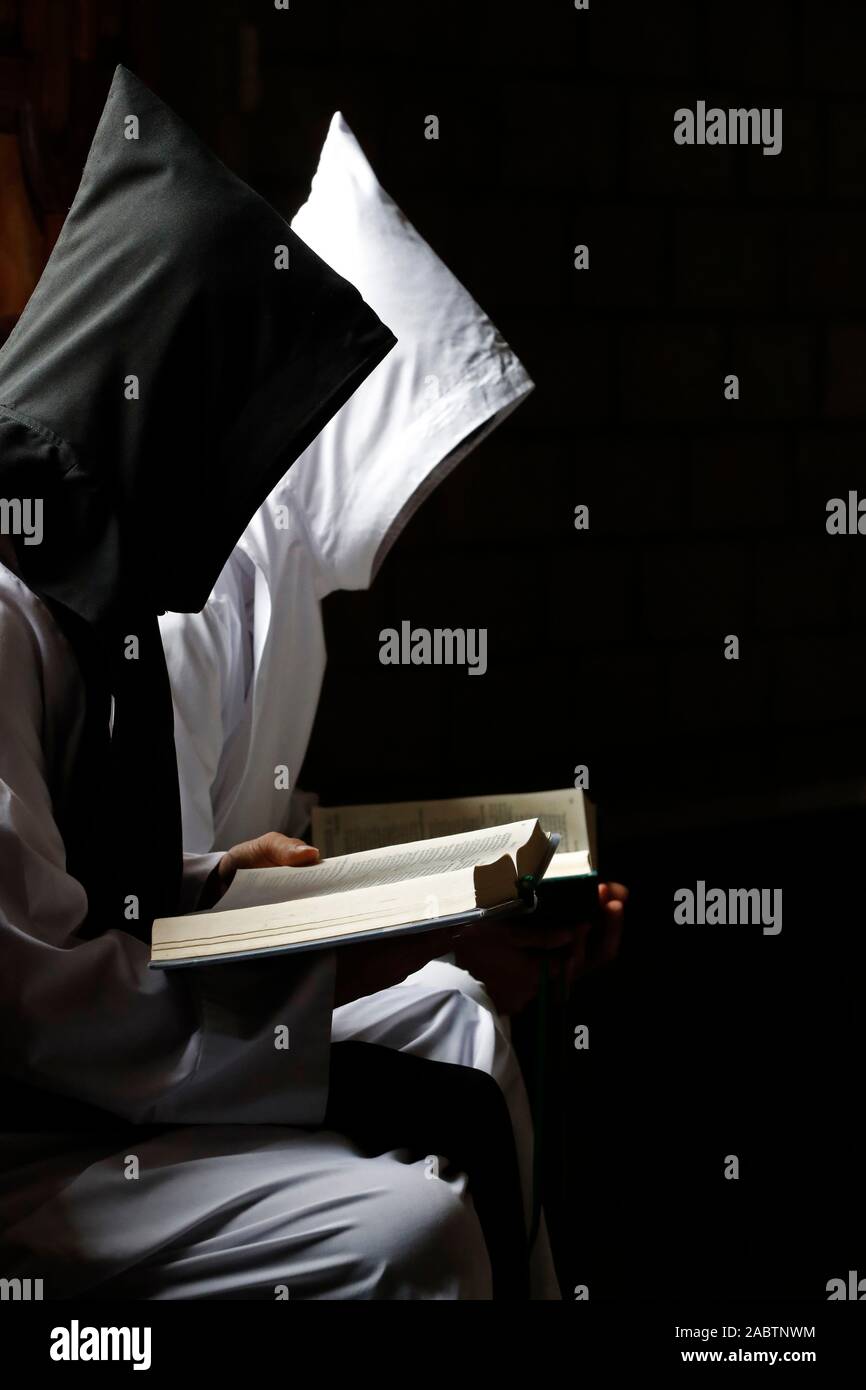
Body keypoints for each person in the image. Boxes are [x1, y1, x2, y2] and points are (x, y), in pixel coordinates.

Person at [0, 66, 551, 1301]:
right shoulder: (6, 615)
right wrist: (319, 964)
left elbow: (80, 898)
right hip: (32, 1127)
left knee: (455, 1053)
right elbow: (39, 1006)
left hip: (92, 1075)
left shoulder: (80, 602)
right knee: (402, 1234)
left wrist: (223, 886)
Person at [160, 113, 628, 1301]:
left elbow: (258, 826)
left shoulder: (287, 586)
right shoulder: (200, 583)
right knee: (409, 1196)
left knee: (465, 1016)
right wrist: (431, 922)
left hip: (217, 1003)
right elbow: (179, 917)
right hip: (145, 1048)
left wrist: (503, 897)